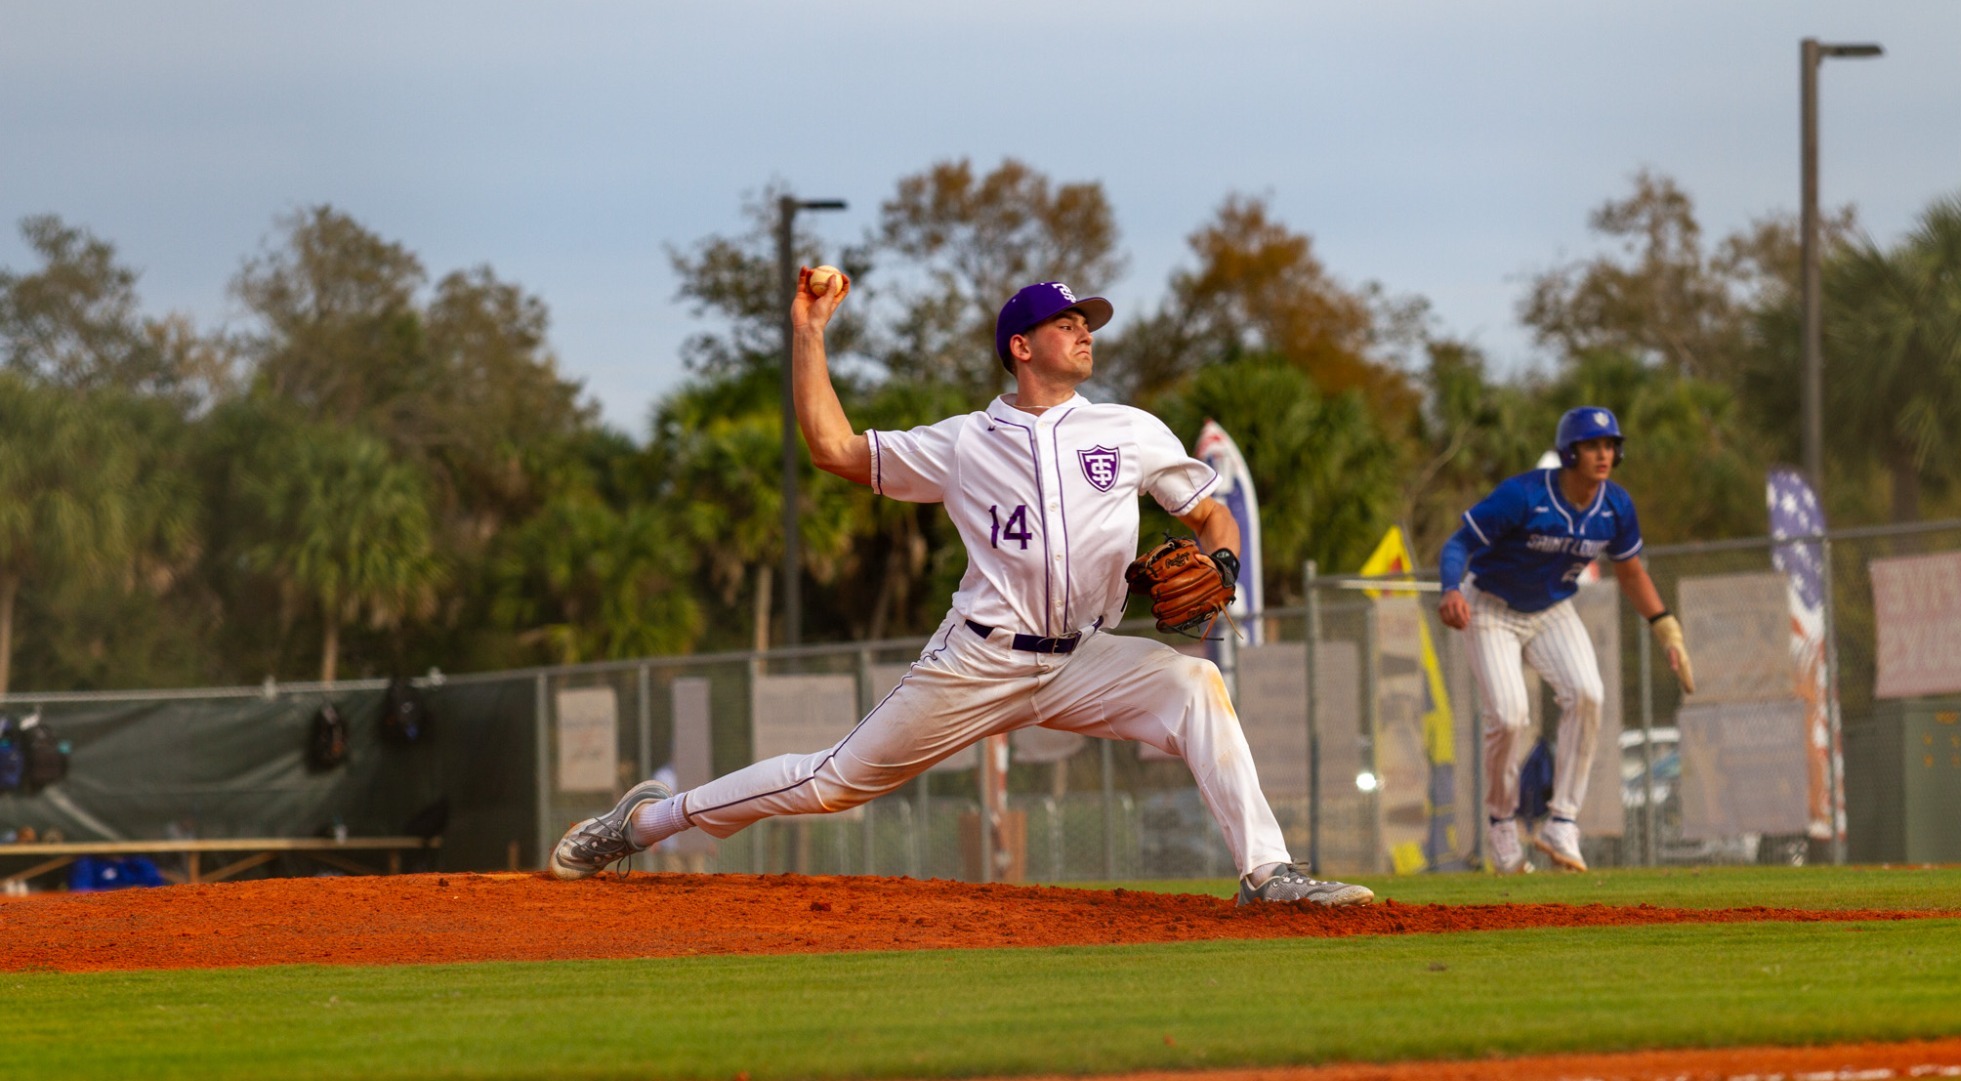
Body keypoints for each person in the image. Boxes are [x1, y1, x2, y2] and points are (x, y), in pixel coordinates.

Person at [549, 274, 1373, 906]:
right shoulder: (962, 444)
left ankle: (1265, 872)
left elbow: (1210, 514)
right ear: (1020, 345)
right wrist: (807, 333)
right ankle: (643, 823)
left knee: (1197, 683)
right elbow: (835, 447)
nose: (1083, 331)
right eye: (1066, 321)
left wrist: (1222, 564)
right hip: (978, 658)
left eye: (1086, 322)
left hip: (1085, 656)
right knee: (831, 781)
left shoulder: (1127, 429)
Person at [1436, 408, 1695, 873]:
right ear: (1570, 451)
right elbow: (1458, 544)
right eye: (1593, 445)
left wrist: (1666, 627)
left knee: (1588, 694)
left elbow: (1631, 572)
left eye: (1611, 445)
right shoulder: (1524, 494)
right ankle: (1501, 821)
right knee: (1511, 716)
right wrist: (1451, 588)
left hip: (1552, 609)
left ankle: (1562, 821)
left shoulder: (1614, 506)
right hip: (1491, 606)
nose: (1603, 454)